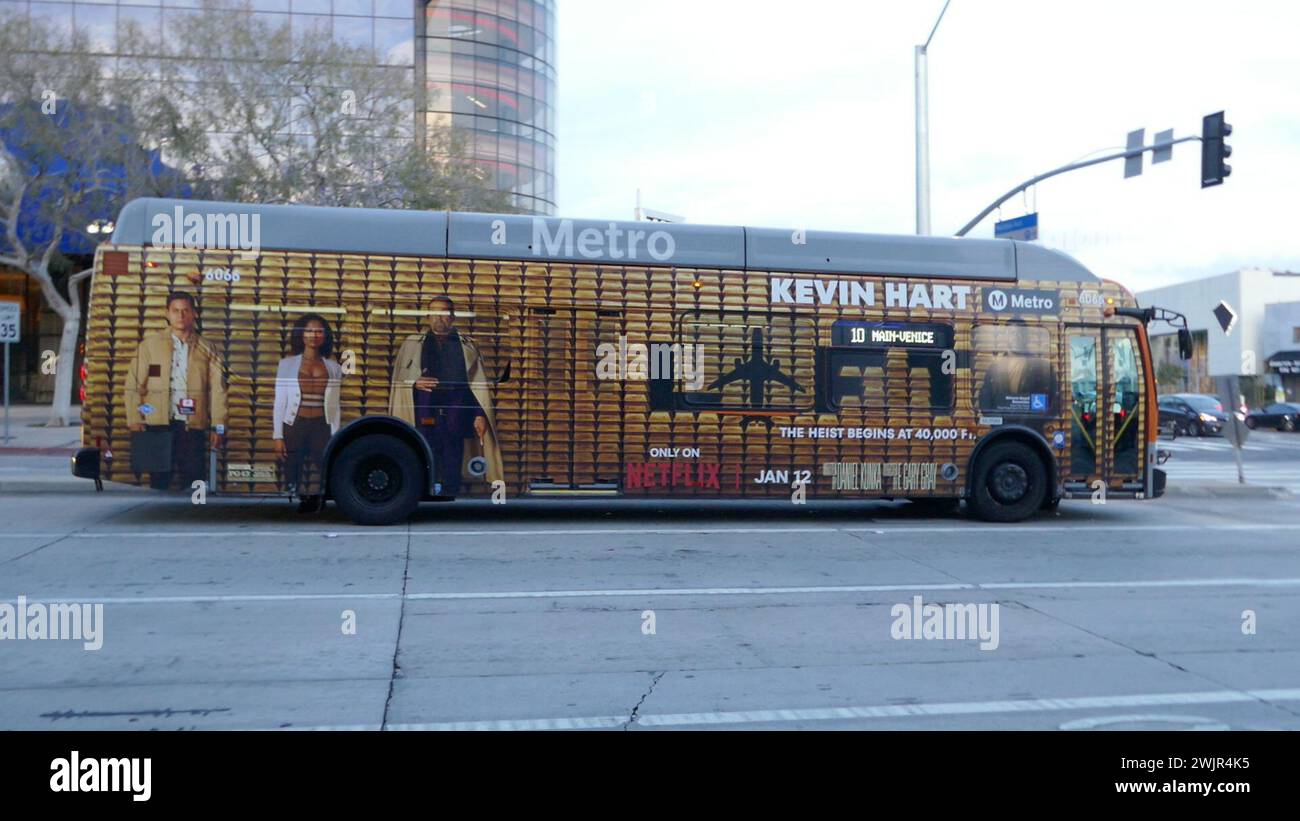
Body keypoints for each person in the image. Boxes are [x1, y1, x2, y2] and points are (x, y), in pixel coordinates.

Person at [387, 296, 503, 495]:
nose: (439, 317)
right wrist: (414, 382)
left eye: (445, 312)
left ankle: (450, 497)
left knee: (453, 456)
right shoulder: (412, 343)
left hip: (456, 410)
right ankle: (423, 494)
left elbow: (476, 384)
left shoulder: (467, 345)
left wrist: (479, 414)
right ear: (427, 316)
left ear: (452, 317)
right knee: (424, 453)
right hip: (424, 410)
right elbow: (400, 377)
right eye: (435, 312)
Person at [124, 291, 227, 490]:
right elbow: (135, 384)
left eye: (185, 311)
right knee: (159, 479)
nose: (180, 315)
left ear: (194, 314)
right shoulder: (149, 346)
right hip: (157, 423)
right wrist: (134, 418)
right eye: (176, 311)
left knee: (194, 477)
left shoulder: (207, 348)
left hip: (191, 425)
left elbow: (218, 390)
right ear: (167, 313)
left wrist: (218, 425)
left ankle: (192, 518)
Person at [273, 313, 343, 513]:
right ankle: (292, 502)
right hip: (294, 423)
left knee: (323, 465)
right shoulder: (286, 365)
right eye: (309, 330)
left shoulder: (334, 368)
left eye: (319, 331)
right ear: (301, 335)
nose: (314, 335)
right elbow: (280, 401)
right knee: (292, 466)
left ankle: (317, 501)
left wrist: (336, 433)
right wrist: (277, 436)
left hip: (322, 424)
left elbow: (335, 405)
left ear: (325, 336)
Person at [978, 322, 1053, 414]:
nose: (1016, 337)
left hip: (1031, 426)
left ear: (1026, 337)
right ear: (1006, 336)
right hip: (1001, 425)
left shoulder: (1041, 366)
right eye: (1012, 333)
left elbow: (1050, 399)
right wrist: (996, 420)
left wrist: (1034, 421)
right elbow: (985, 399)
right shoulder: (995, 368)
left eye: (1020, 333)